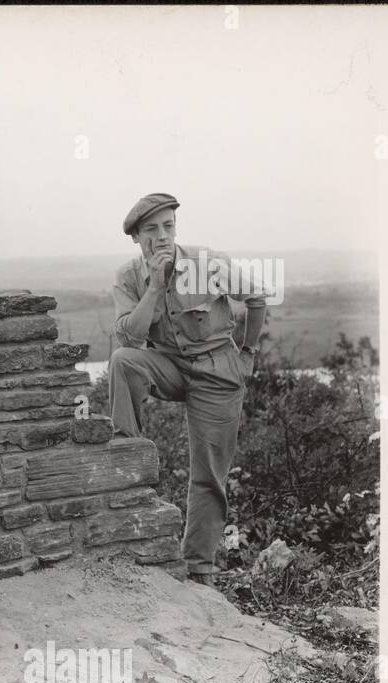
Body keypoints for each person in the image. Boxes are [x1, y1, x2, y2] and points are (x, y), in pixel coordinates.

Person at [107, 193, 268, 586]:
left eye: (168, 226)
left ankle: (199, 570)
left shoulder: (206, 263)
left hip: (218, 373)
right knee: (122, 362)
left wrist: (247, 353)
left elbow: (257, 297)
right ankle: (126, 459)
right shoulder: (128, 276)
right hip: (171, 367)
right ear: (136, 238)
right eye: (151, 230)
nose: (161, 237)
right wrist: (155, 287)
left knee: (208, 472)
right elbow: (131, 335)